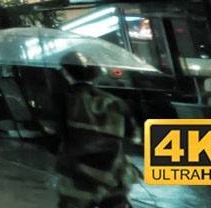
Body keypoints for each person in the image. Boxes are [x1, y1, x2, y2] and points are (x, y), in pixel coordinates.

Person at [43, 52, 139, 208]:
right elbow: (132, 137)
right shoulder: (115, 102)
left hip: (78, 180)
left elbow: (54, 141)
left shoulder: (63, 101)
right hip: (114, 176)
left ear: (65, 73)